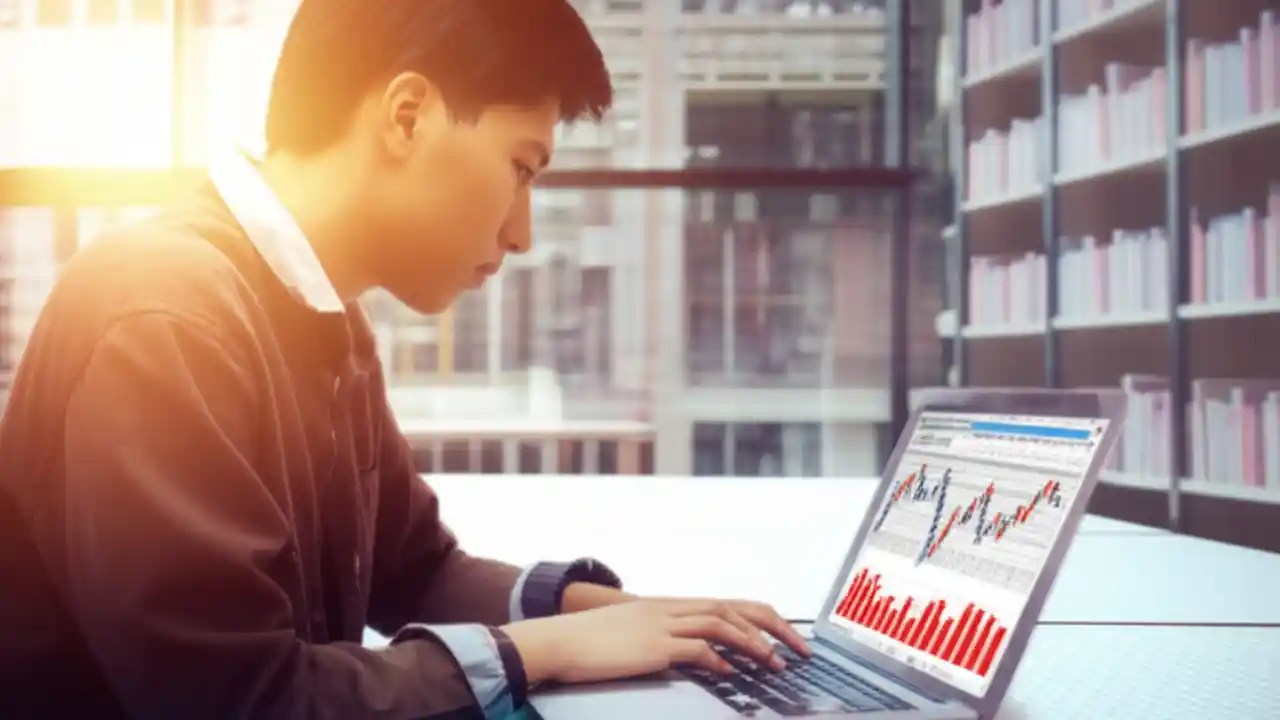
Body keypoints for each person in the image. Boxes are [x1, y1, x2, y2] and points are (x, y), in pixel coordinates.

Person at [0, 1, 810, 718]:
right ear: (408, 115)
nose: (522, 231)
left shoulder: (320, 311)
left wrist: (628, 617)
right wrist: (550, 651)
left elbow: (412, 570)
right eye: (521, 168)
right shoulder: (167, 313)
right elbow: (237, 698)